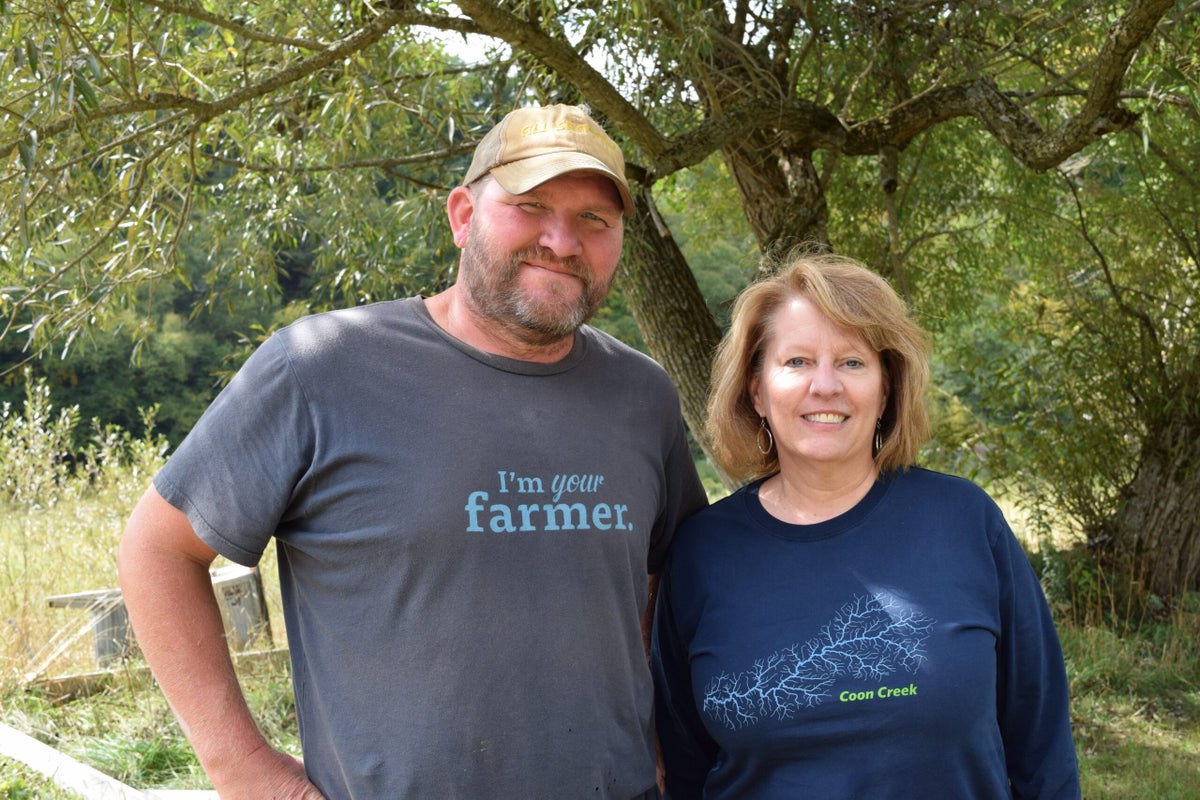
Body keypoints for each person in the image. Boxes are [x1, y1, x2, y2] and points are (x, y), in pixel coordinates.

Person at [118, 103, 707, 800]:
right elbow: (157, 550)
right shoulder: (320, 370)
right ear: (462, 215)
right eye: (531, 205)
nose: (563, 240)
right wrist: (241, 768)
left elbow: (664, 584)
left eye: (594, 220)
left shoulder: (642, 396)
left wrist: (665, 742)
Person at [651, 252, 1080, 799]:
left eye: (852, 362)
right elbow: (684, 763)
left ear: (886, 389)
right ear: (757, 391)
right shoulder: (702, 551)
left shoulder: (966, 522)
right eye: (797, 362)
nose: (825, 386)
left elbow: (1041, 745)